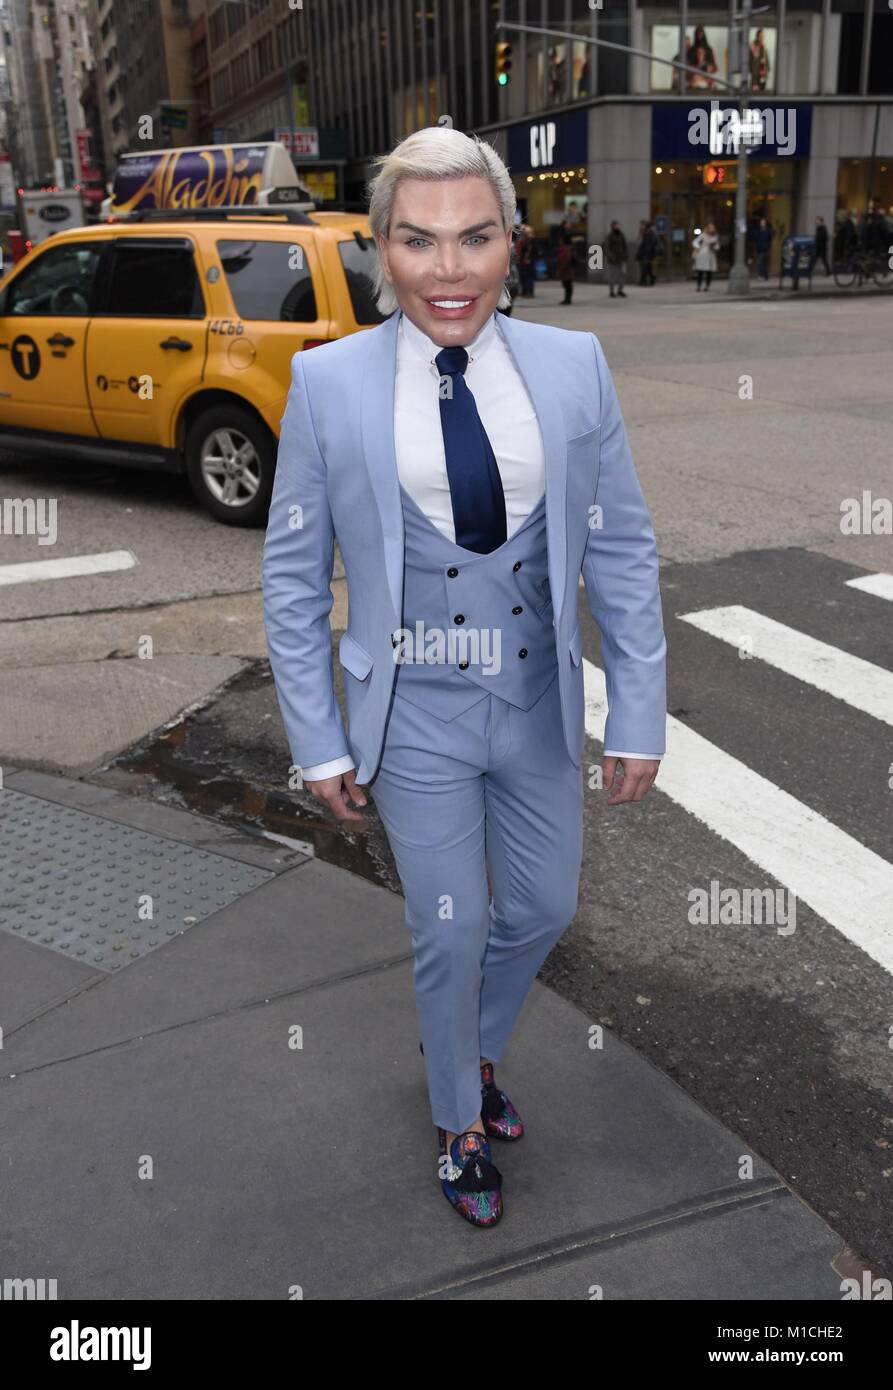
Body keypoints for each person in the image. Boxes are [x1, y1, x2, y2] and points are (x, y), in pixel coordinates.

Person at [262, 126, 666, 1228]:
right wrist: (319, 737)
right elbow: (294, 576)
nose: (448, 271)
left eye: (473, 239)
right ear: (378, 253)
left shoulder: (572, 365)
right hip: (414, 713)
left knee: (538, 907)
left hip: (534, 700)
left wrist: (636, 709)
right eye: (417, 242)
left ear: (509, 241)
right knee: (448, 923)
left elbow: (619, 545)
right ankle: (457, 1114)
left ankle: (471, 1047)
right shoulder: (327, 382)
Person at [692, 221, 719, 289]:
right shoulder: (703, 235)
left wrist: (715, 247)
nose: (712, 229)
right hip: (702, 254)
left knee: (709, 272)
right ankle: (699, 286)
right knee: (700, 271)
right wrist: (698, 247)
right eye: (711, 228)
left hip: (711, 255)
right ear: (708, 228)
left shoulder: (715, 236)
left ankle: (707, 286)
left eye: (713, 228)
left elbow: (717, 245)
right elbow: (695, 242)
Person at [606, 220, 628, 297]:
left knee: (622, 275)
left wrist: (625, 255)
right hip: (613, 260)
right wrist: (611, 256)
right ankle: (611, 291)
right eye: (615, 225)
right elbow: (607, 248)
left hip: (621, 259)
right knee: (612, 276)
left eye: (618, 225)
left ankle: (620, 290)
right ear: (612, 226)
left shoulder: (621, 235)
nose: (617, 226)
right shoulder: (610, 236)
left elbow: (625, 246)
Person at [636, 221, 658, 285]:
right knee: (647, 268)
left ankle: (645, 281)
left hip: (647, 254)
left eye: (642, 225)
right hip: (644, 254)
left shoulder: (650, 234)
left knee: (645, 268)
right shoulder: (644, 233)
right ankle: (649, 280)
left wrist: (647, 255)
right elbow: (638, 243)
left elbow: (650, 245)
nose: (641, 226)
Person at [556, 230, 575, 304]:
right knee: (567, 284)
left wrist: (561, 269)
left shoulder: (566, 248)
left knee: (567, 284)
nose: (559, 241)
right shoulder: (566, 248)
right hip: (567, 268)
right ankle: (567, 299)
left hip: (566, 268)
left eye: (561, 239)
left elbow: (566, 259)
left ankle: (568, 299)